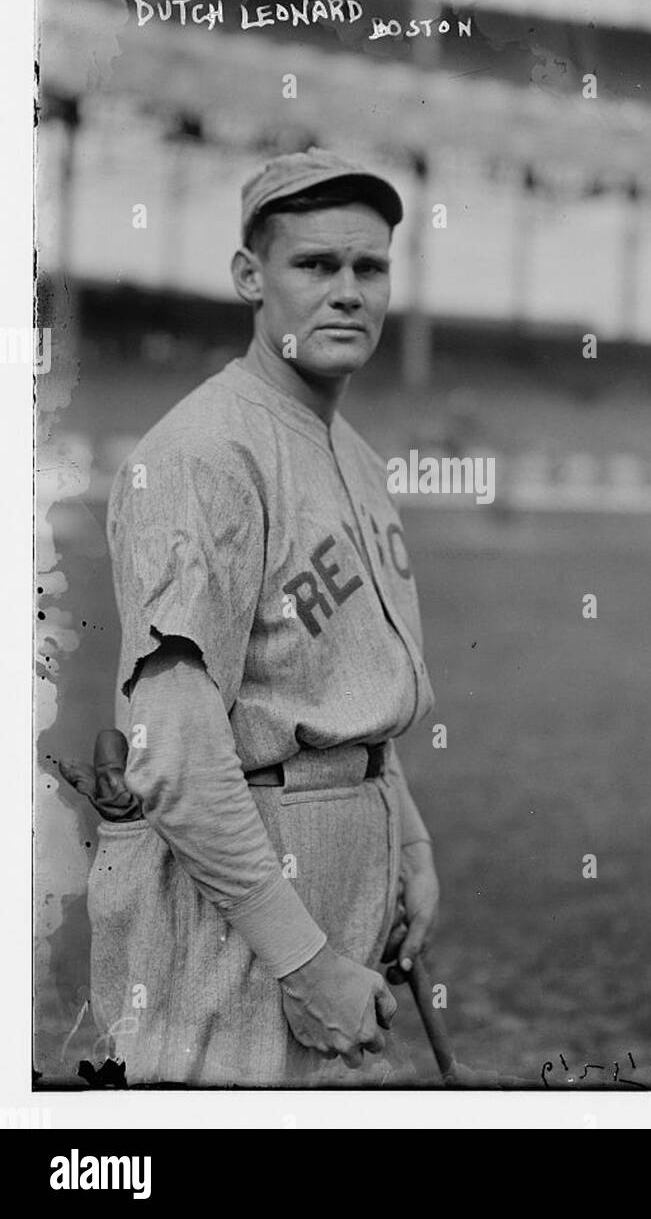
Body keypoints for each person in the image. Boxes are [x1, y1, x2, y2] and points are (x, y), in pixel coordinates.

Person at [85, 147, 439, 1086]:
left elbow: (356, 689)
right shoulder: (206, 455)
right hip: (238, 889)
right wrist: (305, 959)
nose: (349, 292)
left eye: (369, 268)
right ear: (251, 276)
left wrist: (406, 845)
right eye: (315, 266)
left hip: (344, 859)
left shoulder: (355, 456)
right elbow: (177, 753)